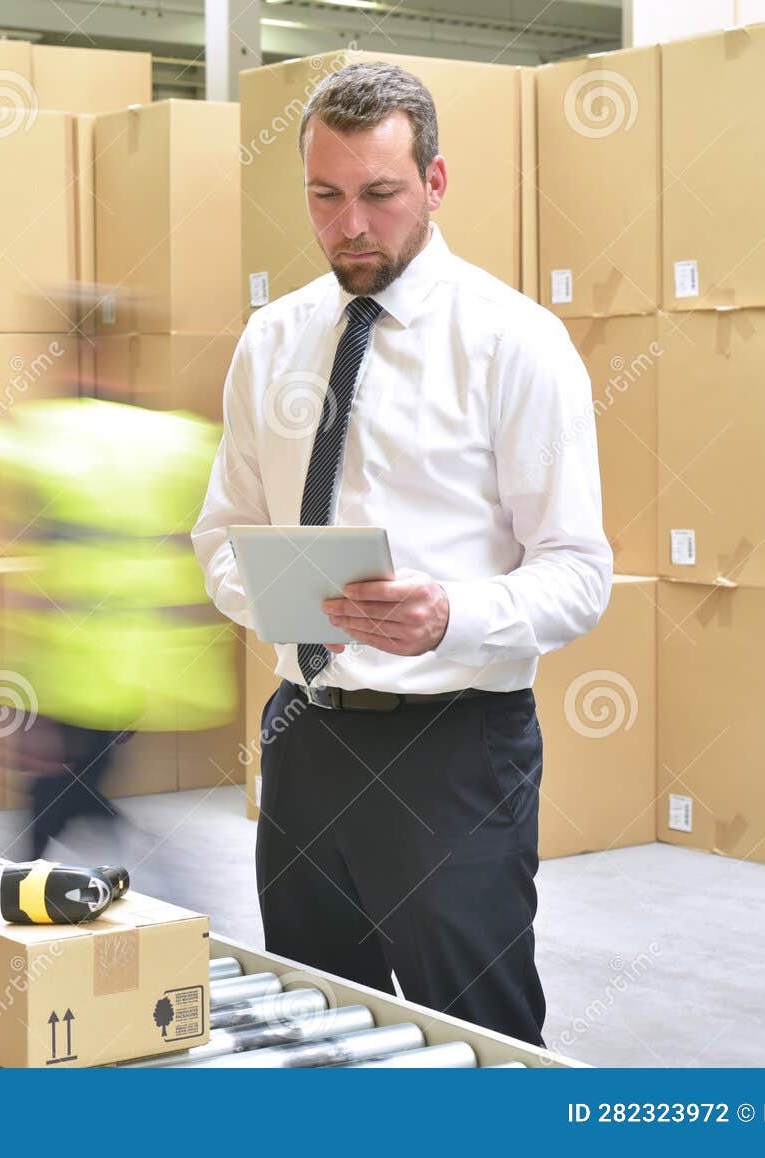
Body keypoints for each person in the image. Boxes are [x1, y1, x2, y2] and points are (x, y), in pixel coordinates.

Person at [191, 62, 611, 1047]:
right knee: (311, 1032)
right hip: (304, 737)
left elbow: (577, 570)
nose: (350, 226)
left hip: (455, 754)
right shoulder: (273, 339)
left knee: (475, 1045)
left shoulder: (516, 343)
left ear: (434, 182)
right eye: (325, 196)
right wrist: (276, 603)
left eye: (379, 195)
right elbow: (221, 534)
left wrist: (450, 615)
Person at [0, 396, 236, 862]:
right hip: (126, 672)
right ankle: (117, 877)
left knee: (58, 799)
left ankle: (26, 891)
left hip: (72, 673)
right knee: (75, 792)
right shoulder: (174, 443)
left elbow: (26, 574)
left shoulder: (47, 439)